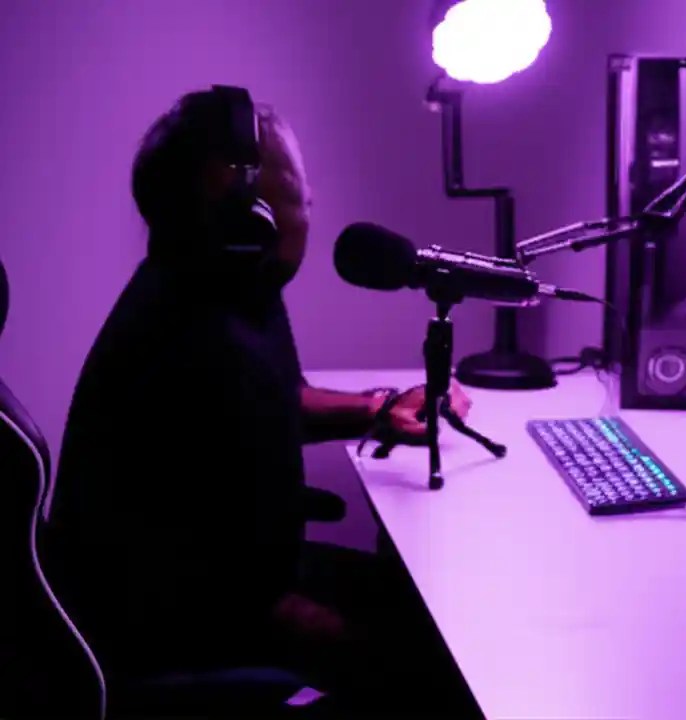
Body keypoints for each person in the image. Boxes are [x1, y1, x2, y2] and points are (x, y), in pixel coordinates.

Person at [44, 87, 476, 715]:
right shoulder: (197, 341)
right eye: (298, 189)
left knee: (426, 605)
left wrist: (376, 408)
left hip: (224, 588)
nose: (312, 204)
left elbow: (275, 403)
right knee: (443, 661)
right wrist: (399, 663)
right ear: (248, 214)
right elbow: (236, 600)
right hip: (181, 631)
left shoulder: (211, 283)